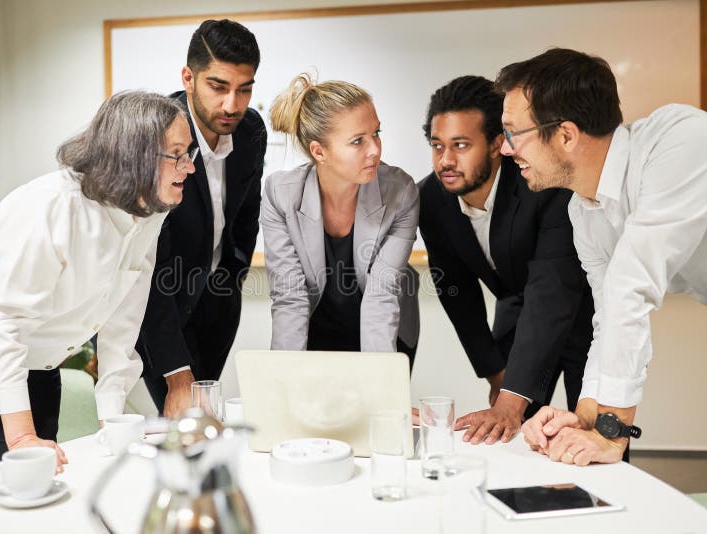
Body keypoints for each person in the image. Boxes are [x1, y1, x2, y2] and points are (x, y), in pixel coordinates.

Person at [0, 91, 194, 495]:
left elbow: (123, 319)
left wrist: (113, 425)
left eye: (189, 154)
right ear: (137, 155)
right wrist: (23, 438)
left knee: (33, 492)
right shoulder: (51, 205)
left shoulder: (150, 212)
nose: (189, 168)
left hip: (34, 359)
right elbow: (1, 323)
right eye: (178, 154)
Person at [495, 48, 707, 465]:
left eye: (513, 133)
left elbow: (631, 287)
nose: (505, 149)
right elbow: (609, 315)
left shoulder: (680, 139)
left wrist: (615, 434)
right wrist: (586, 418)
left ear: (566, 135)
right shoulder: (584, 211)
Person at [417, 76, 593, 445]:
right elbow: (457, 293)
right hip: (517, 312)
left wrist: (514, 396)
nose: (445, 160)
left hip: (585, 316)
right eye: (437, 146)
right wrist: (497, 375)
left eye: (461, 145)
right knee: (510, 434)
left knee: (590, 437)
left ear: (498, 143)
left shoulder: (542, 183)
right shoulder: (431, 198)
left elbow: (552, 287)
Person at [135, 19, 267, 418]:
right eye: (219, 86)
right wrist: (176, 373)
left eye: (244, 89)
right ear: (188, 78)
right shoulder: (155, 137)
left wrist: (231, 279)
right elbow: (146, 264)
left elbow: (246, 216)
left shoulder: (251, 131)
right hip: (159, 303)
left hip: (217, 303)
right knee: (183, 416)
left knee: (204, 420)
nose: (232, 105)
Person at [261, 74, 419, 363]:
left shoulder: (401, 192)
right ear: (319, 151)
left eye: (376, 133)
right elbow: (290, 298)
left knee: (379, 406)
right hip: (313, 334)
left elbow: (381, 297)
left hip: (384, 334)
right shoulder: (280, 195)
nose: (375, 149)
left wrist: (380, 384)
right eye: (358, 141)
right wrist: (283, 383)